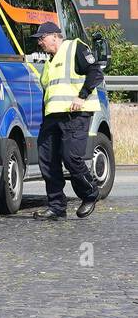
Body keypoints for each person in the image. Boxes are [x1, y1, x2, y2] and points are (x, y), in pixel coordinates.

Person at [31, 21, 103, 221]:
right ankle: (56, 207)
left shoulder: (75, 47)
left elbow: (95, 72)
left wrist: (82, 95)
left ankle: (90, 193)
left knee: (71, 159)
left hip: (75, 115)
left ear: (55, 36)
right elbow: (48, 93)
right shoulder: (49, 63)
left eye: (42, 38)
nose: (40, 43)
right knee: (47, 161)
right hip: (52, 118)